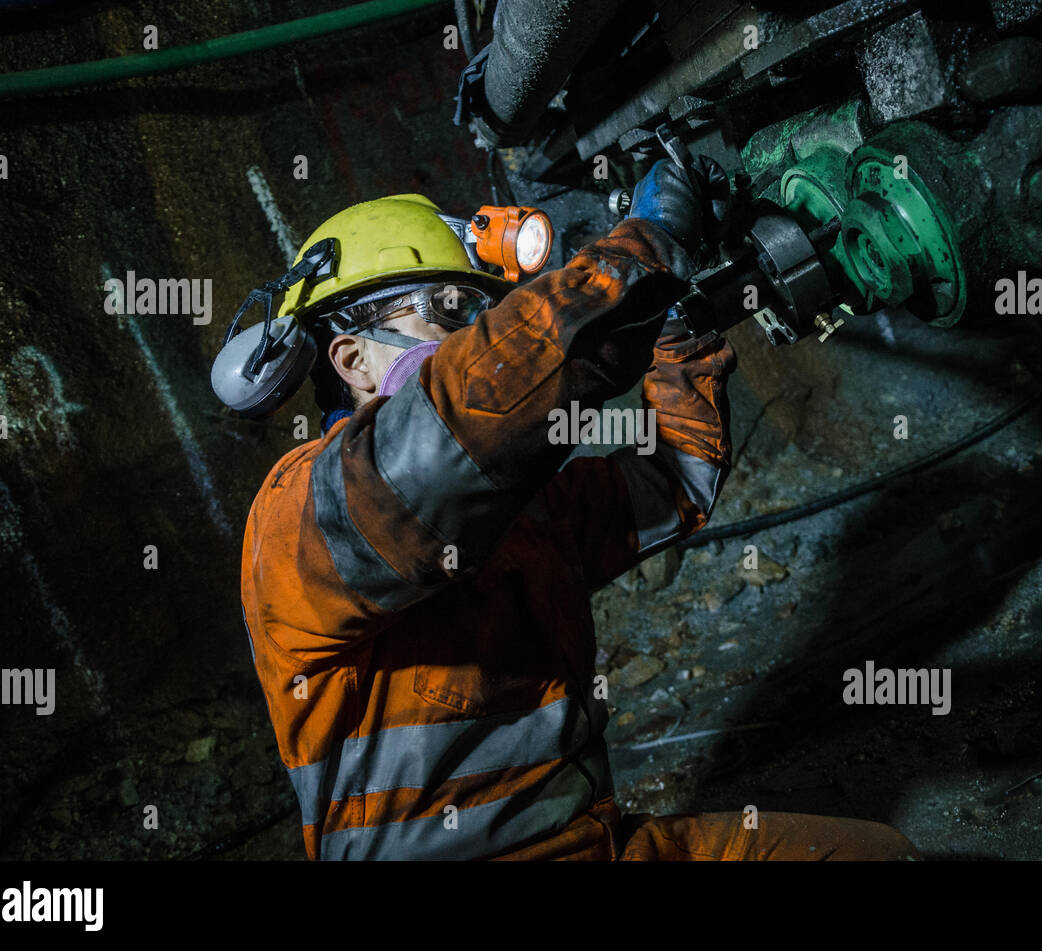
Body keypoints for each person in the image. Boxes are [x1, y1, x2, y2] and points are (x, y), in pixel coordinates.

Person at [224, 156, 919, 860]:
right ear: (351, 359)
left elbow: (675, 481)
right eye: (446, 311)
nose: (475, 334)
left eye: (480, 311)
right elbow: (449, 437)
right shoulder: (297, 518)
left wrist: (675, 324)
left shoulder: (518, 517)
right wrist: (641, 248)